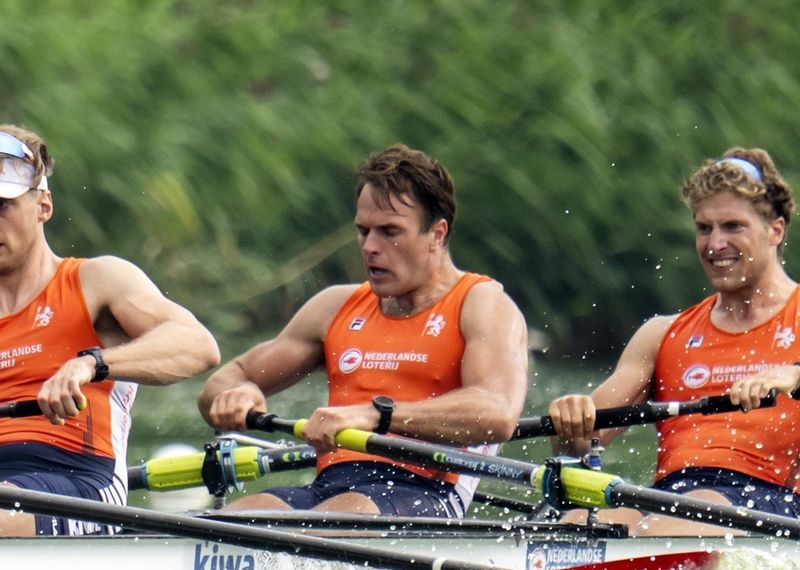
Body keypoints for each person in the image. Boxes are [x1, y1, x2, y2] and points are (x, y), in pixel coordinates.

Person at [198, 143, 529, 518]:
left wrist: (376, 417)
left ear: (437, 234)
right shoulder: (335, 306)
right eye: (363, 231)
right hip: (331, 486)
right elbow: (223, 381)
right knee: (236, 518)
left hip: (428, 491)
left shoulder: (481, 304)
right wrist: (237, 393)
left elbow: (497, 413)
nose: (370, 247)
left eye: (390, 232)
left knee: (335, 517)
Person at [548, 147, 800, 535]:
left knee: (695, 512)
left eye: (733, 226)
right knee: (577, 525)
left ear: (776, 230)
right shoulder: (662, 334)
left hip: (772, 503)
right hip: (669, 501)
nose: (715, 245)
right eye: (704, 228)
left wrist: (792, 374)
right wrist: (570, 424)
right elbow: (579, 447)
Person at [0, 124, 220, 536]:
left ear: (42, 204)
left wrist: (90, 364)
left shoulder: (97, 281)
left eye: (2, 206)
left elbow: (197, 346)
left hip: (83, 483)